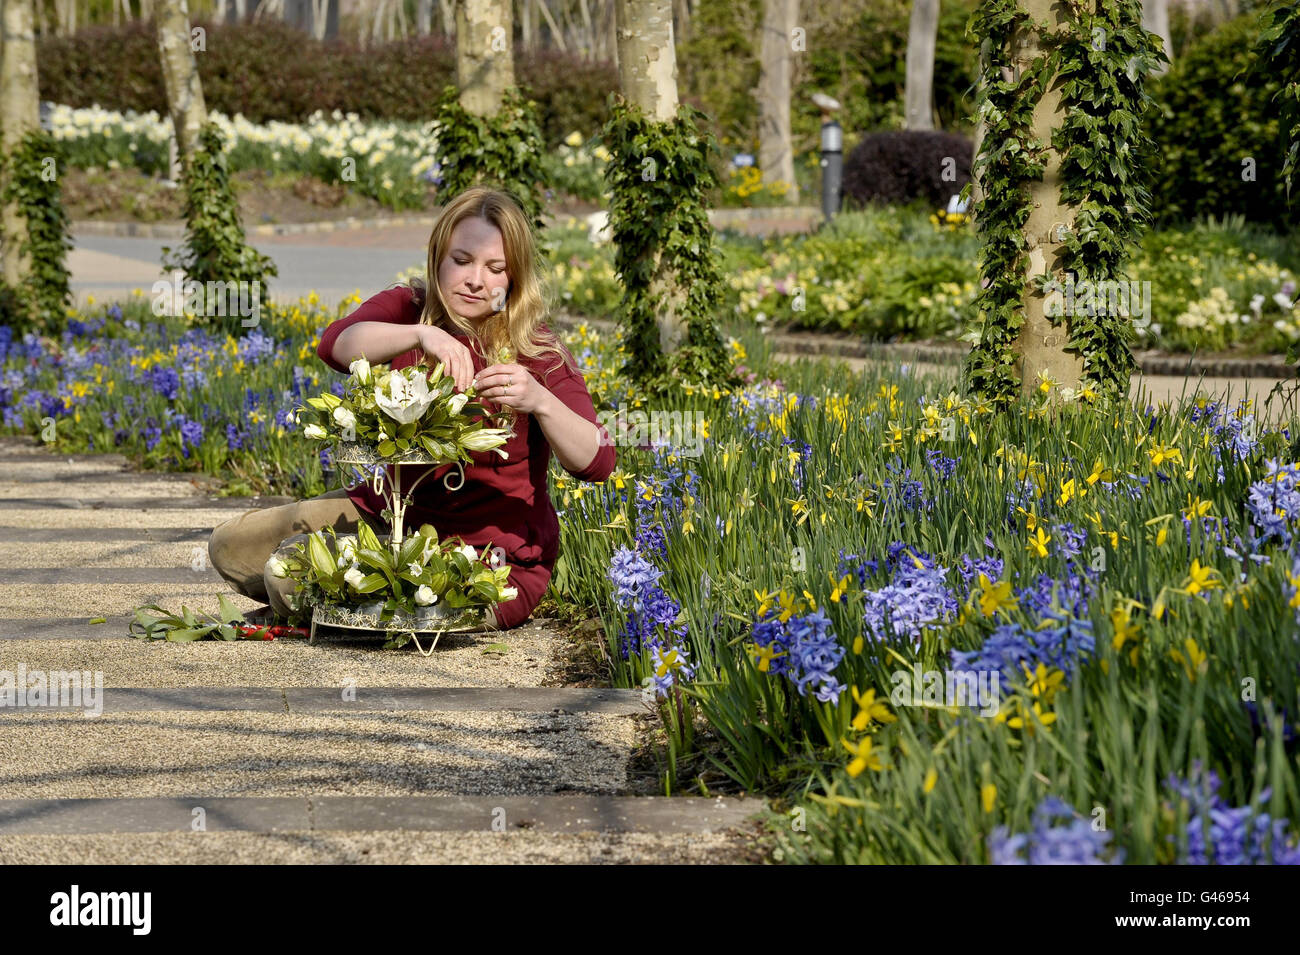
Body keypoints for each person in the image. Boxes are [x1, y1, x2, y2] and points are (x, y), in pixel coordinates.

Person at [208, 185, 617, 631]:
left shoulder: (537, 352)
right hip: (385, 514)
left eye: (495, 268)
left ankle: (343, 601)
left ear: (513, 279)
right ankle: (343, 596)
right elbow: (337, 345)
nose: (476, 279)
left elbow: (596, 461)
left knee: (286, 581)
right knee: (231, 546)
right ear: (438, 258)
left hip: (480, 554)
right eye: (461, 261)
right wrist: (423, 336)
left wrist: (540, 401)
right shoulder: (410, 309)